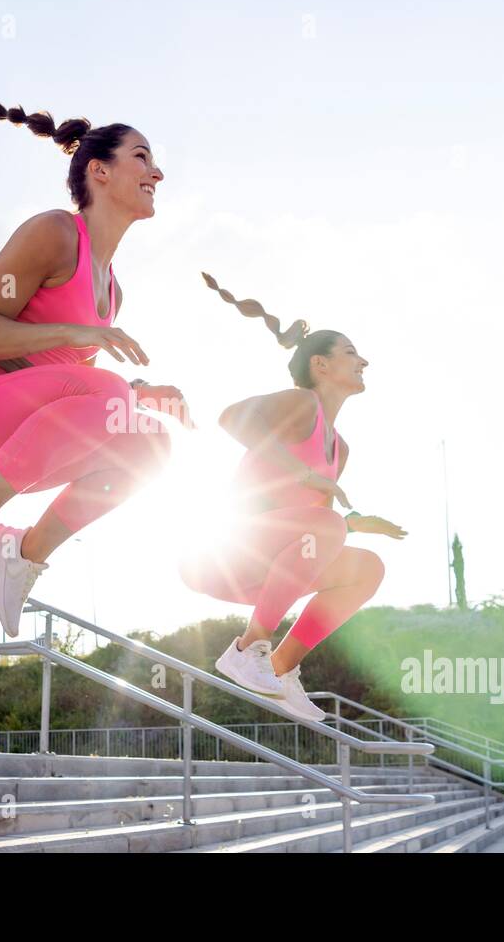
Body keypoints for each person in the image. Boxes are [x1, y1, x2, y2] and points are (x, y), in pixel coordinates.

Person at [0, 91, 191, 637]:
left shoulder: (113, 293)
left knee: (149, 443)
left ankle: (23, 551)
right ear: (100, 171)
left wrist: (140, 393)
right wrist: (77, 332)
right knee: (112, 393)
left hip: (8, 449)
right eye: (141, 156)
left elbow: (64, 382)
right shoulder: (56, 233)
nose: (157, 171)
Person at [179, 273, 407, 721]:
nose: (364, 361)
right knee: (329, 527)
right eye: (350, 353)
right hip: (222, 556)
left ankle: (281, 670)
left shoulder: (340, 448)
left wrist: (358, 521)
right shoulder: (302, 403)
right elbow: (230, 418)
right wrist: (304, 473)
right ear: (320, 365)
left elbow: (316, 520)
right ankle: (247, 649)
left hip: (269, 566)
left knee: (367, 568)